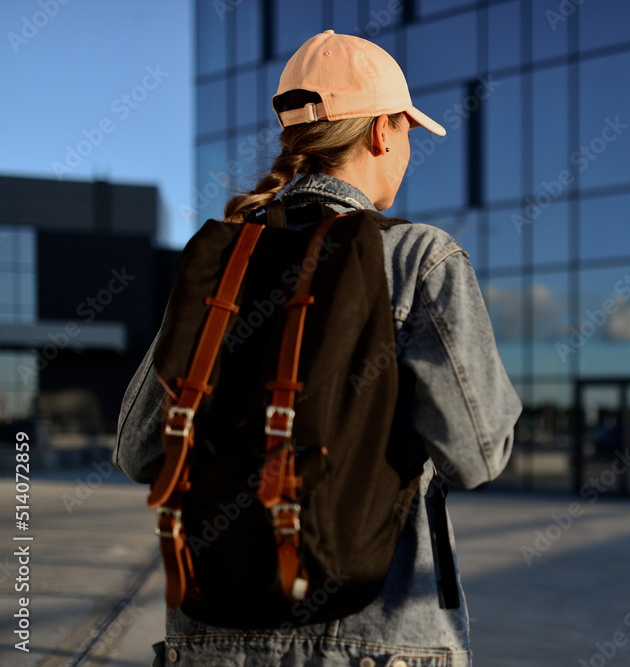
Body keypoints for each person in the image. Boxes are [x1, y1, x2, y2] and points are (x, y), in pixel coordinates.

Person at [115, 30, 521, 667]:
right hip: (378, 636)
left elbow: (137, 448)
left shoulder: (223, 260)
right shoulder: (418, 257)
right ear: (382, 132)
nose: (406, 149)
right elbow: (477, 453)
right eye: (407, 131)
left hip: (208, 637)